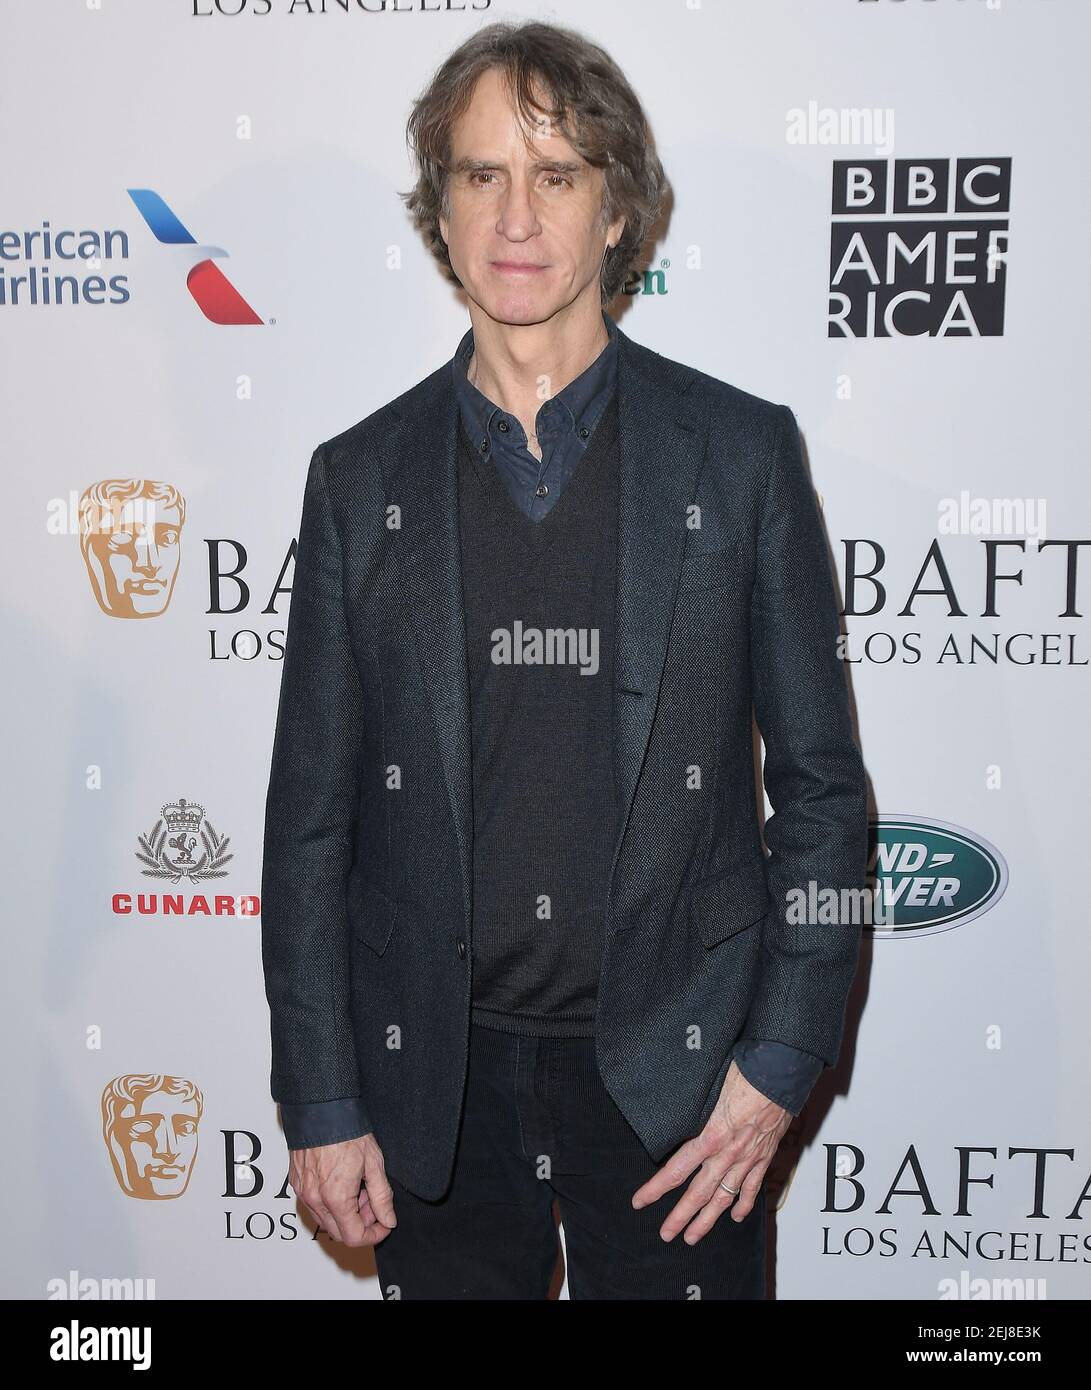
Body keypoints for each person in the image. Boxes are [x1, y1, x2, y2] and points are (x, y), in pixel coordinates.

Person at [260, 18, 868, 1301]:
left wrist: (775, 1063)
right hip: (437, 1086)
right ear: (441, 213)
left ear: (614, 212)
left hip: (677, 1084)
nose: (516, 215)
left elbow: (820, 797)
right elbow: (308, 824)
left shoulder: (737, 457)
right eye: (481, 175)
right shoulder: (356, 479)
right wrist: (320, 1089)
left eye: (557, 174)